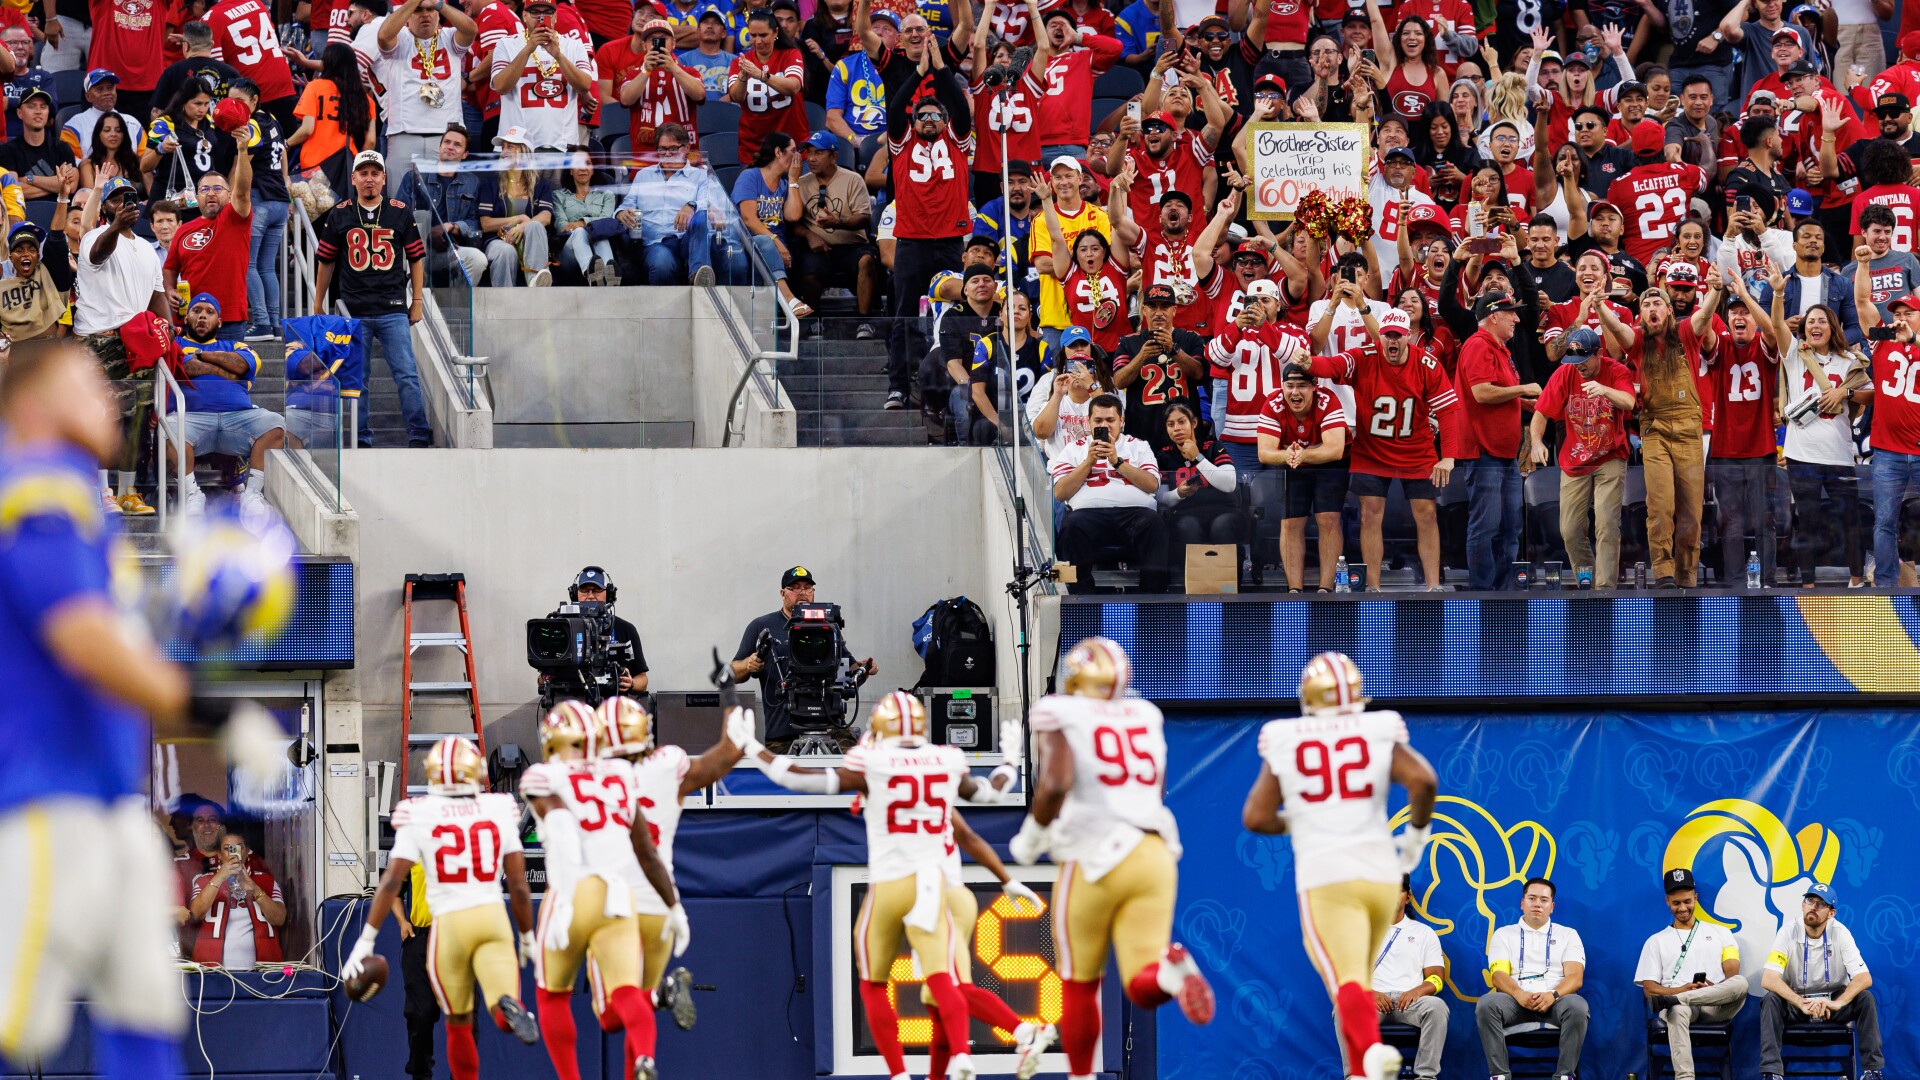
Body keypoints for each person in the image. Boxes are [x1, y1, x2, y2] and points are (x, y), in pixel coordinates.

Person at [0, 339, 205, 1078]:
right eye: (82, 382)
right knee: (17, 1021)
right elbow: (83, 639)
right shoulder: (35, 484)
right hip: (48, 798)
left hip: (107, 798)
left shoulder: (78, 495)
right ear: (30, 406)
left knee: (145, 1004)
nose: (107, 393)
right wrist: (205, 707)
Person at [737, 692, 1013, 1080]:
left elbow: (796, 777)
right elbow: (991, 793)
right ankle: (962, 1055)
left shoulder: (873, 760)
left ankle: (898, 1073)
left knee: (872, 983)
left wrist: (752, 747)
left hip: (890, 883)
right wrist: (1012, 761)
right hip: (935, 882)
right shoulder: (946, 759)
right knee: (942, 979)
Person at [1010, 637, 1215, 1080]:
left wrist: (1030, 839)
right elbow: (1154, 789)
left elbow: (1055, 783)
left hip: (1094, 857)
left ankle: (1081, 1076)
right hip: (1154, 851)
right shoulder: (1146, 715)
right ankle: (1171, 973)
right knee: (1144, 986)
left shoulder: (1060, 711)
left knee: (1079, 983)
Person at [1244, 650, 1438, 1080]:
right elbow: (1423, 780)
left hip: (1327, 875)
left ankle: (1369, 1057)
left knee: (1347, 982)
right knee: (1357, 978)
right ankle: (1363, 1067)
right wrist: (1417, 836)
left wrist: (1303, 818)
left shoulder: (1286, 735)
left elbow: (1255, 816)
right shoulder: (1377, 726)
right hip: (1379, 874)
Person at [344, 737, 540, 1080]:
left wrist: (365, 942)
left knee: (460, 1020)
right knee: (493, 999)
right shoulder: (498, 809)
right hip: (488, 918)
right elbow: (520, 886)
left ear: (433, 775)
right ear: (477, 773)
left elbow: (389, 883)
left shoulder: (420, 815)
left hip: (448, 928)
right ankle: (506, 1007)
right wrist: (527, 936)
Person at [518, 702, 686, 1080]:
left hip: (572, 890)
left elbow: (560, 828)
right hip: (617, 896)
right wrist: (674, 906)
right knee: (626, 992)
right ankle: (644, 1055)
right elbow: (646, 851)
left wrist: (562, 899)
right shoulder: (621, 775)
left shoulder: (545, 775)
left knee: (552, 994)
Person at [595, 698, 736, 1067]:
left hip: (612, 906)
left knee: (611, 1013)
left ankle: (662, 996)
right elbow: (725, 757)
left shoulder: (589, 779)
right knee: (637, 1003)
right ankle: (657, 1010)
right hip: (660, 902)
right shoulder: (666, 765)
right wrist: (732, 699)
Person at [1308, 296, 1468, 591]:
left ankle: (1434, 586)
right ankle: (1373, 586)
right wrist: (1308, 361)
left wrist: (1448, 456)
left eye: (1398, 335)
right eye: (1387, 334)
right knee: (1370, 515)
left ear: (1408, 335)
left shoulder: (1426, 363)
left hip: (1417, 449)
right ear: (1379, 334)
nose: (1392, 340)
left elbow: (1448, 411)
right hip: (1371, 451)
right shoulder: (1364, 356)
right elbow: (1331, 366)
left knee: (1427, 513)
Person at [1595, 282, 1721, 587]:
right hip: (1655, 430)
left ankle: (1687, 576)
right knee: (1660, 505)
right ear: (1641, 314)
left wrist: (1716, 291)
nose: (1652, 309)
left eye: (1657, 304)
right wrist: (1600, 306)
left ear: (1668, 311)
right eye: (1647, 305)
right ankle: (1664, 572)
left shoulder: (1687, 334)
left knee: (1692, 510)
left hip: (1691, 431)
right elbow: (1620, 331)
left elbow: (1703, 317)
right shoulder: (1637, 340)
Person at [313, 149, 433, 447]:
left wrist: (416, 301)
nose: (369, 179)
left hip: (392, 307)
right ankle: (362, 436)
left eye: (375, 173)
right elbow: (326, 260)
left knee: (406, 374)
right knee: (358, 379)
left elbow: (416, 258)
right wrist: (318, 303)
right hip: (353, 310)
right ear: (353, 178)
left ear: (383, 178)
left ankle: (418, 433)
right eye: (363, 174)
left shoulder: (399, 210)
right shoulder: (340, 212)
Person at [75, 176, 171, 514]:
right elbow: (100, 254)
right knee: (104, 419)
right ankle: (102, 491)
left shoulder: (146, 248)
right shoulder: (93, 237)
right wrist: (114, 226)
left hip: (139, 341)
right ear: (105, 207)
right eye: (115, 199)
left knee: (136, 421)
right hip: (99, 341)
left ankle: (128, 491)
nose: (122, 203)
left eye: (128, 197)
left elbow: (158, 296)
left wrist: (169, 336)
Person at [882, 68, 973, 410]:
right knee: (905, 316)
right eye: (922, 116)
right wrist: (917, 73)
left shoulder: (958, 140)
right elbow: (895, 109)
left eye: (936, 115)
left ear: (946, 122)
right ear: (914, 122)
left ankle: (954, 382)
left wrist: (941, 72)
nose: (930, 120)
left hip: (951, 241)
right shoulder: (901, 143)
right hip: (911, 241)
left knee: (956, 313)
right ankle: (898, 387)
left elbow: (961, 109)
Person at [1778, 267, 1867, 587]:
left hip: (1840, 453)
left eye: (1821, 320)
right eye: (1810, 321)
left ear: (1834, 326)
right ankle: (1808, 586)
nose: (1815, 325)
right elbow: (1775, 324)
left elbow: (1872, 394)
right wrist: (1777, 294)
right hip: (1802, 454)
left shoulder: (1849, 360)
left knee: (1851, 521)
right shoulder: (1794, 354)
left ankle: (1857, 580)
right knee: (1808, 521)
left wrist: (1846, 391)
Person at [1528, 328, 1636, 587]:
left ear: (1597, 354)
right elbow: (1541, 413)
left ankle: (1604, 590)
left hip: (1610, 455)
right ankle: (1586, 581)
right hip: (1575, 459)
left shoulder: (1617, 371)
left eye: (1583, 361)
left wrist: (1604, 390)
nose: (1578, 367)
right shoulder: (1565, 373)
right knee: (1570, 530)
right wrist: (1535, 442)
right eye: (1572, 361)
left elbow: (1629, 402)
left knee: (1607, 524)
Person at [729, 566, 878, 750]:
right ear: (783, 593)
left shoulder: (829, 627)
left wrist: (864, 670)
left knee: (851, 771)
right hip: (783, 732)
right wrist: (749, 664)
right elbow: (733, 672)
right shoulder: (762, 626)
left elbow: (848, 675)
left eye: (808, 588)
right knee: (781, 777)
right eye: (795, 588)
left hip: (830, 725)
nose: (803, 592)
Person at [1455, 289, 1540, 589]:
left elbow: (1500, 393)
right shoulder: (1478, 345)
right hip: (1484, 452)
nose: (1517, 318)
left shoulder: (1500, 348)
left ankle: (1504, 590)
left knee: (1510, 527)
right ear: (1493, 316)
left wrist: (1527, 403)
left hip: (1505, 454)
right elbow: (1481, 393)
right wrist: (1523, 390)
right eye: (1511, 312)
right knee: (1487, 525)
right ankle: (1483, 592)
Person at [173, 294, 284, 516]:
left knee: (276, 424)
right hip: (192, 419)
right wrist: (223, 369)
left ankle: (251, 494)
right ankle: (191, 494)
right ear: (186, 318)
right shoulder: (176, 344)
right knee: (168, 429)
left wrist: (200, 355)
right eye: (196, 311)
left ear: (220, 321)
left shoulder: (237, 344)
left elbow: (243, 365)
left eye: (209, 312)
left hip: (238, 419)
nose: (202, 316)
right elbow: (186, 369)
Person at [1758, 883, 1884, 1080]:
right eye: (1809, 901)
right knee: (1771, 1000)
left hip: (1832, 1004)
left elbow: (1863, 978)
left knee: (1865, 998)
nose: (1813, 907)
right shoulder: (1787, 931)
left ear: (1831, 913)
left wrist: (1836, 1003)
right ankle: (1772, 1073)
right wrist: (1800, 1003)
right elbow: (1769, 978)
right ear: (1802, 905)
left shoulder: (1841, 933)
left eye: (1820, 904)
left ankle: (1872, 1071)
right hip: (1797, 1004)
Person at [1050, 392, 1171, 593]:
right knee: (1071, 527)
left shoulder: (1138, 446)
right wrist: (1089, 461)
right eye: (1098, 420)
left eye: (1110, 420)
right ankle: (1083, 600)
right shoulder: (1073, 449)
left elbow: (1152, 485)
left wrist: (1117, 461)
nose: (1104, 426)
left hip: (1135, 516)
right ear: (1088, 422)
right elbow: (1060, 492)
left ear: (1121, 421)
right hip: (1088, 517)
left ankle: (1152, 599)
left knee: (1155, 524)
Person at [1636, 867, 1749, 1080]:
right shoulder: (1655, 941)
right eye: (1676, 903)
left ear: (1695, 898)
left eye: (1687, 901)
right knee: (1678, 1010)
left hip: (1715, 1004)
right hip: (1680, 1008)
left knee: (1741, 983)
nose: (1683, 908)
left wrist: (1706, 990)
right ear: (1667, 901)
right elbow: (1649, 990)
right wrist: (1682, 989)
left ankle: (1676, 999)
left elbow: (1733, 973)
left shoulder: (1722, 933)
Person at [1476, 878, 1589, 1080]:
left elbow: (1575, 977)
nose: (1537, 904)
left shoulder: (1568, 935)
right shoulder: (1503, 934)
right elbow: (1498, 975)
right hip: (1515, 1001)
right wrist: (1519, 994)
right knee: (1486, 1004)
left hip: (1556, 1001)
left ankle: (1564, 1076)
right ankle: (1499, 1075)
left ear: (1552, 906)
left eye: (1544, 900)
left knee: (1578, 1006)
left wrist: (1552, 995)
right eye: (1532, 898)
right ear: (1522, 903)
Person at [1709, 288, 1782, 585]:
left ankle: (1768, 580)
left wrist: (1745, 295)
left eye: (1745, 313)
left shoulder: (1763, 347)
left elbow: (1771, 328)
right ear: (1726, 321)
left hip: (1761, 448)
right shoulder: (1721, 346)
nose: (1740, 317)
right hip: (1725, 449)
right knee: (1730, 522)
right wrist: (1716, 292)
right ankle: (1736, 582)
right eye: (1734, 313)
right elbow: (1702, 331)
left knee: (1765, 520)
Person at [1852, 277, 1920, 587]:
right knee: (1884, 523)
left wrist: (1914, 339)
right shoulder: (1881, 341)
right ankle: (1887, 586)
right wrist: (1863, 263)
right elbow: (1863, 302)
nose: (1901, 319)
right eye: (1897, 314)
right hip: (1888, 449)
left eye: (1909, 313)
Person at [1259, 363, 1350, 593]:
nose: (1295, 392)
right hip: (1294, 462)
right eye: (1289, 386)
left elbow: (1335, 449)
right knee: (1290, 523)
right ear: (1282, 386)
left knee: (1328, 518)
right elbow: (1265, 452)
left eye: (1301, 386)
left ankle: (1326, 589)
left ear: (1314, 386)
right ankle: (1294, 589)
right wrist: (1286, 454)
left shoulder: (1328, 401)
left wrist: (1304, 454)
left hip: (1330, 463)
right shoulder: (1272, 403)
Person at [375, 0, 478, 197]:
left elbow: (471, 29)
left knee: (442, 203)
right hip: (404, 134)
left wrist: (440, 4)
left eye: (430, 10)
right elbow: (383, 35)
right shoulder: (401, 36)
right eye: (418, 11)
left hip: (445, 136)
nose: (425, 15)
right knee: (399, 203)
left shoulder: (449, 36)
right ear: (408, 16)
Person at [614, 122, 732, 286]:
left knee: (701, 215)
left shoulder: (699, 175)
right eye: (662, 149)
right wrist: (620, 213)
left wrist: (691, 205)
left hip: (689, 241)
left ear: (685, 148)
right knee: (662, 262)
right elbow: (625, 206)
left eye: (673, 149)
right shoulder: (643, 176)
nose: (667, 154)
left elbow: (708, 203)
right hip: (656, 243)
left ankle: (699, 276)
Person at [165, 126, 255, 337]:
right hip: (189, 317)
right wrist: (169, 289)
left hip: (228, 319)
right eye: (205, 189)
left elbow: (243, 189)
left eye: (217, 189)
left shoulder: (234, 218)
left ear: (229, 194)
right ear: (197, 196)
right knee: (189, 370)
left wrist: (242, 151)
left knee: (229, 370)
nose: (211, 194)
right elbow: (170, 267)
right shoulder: (184, 229)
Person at [793, 131, 880, 328]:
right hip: (819, 247)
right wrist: (809, 235)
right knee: (808, 269)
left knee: (866, 261)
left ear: (833, 156)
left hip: (852, 245)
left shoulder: (853, 179)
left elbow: (864, 218)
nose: (811, 159)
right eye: (809, 153)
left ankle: (864, 321)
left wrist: (838, 222)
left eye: (818, 153)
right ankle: (814, 321)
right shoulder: (801, 182)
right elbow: (792, 221)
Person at [1370, 876, 1450, 1080]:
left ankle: (1426, 1076)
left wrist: (1417, 991)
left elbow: (1437, 978)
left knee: (1437, 1006)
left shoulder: (1424, 933)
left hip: (1411, 1002)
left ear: (1408, 896)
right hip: (1373, 1002)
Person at [490, 0, 595, 152]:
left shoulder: (573, 45)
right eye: (535, 12)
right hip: (518, 147)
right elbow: (501, 87)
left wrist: (558, 55)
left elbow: (585, 85)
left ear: (556, 17)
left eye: (547, 12)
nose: (541, 17)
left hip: (563, 146)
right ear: (524, 15)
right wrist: (528, 49)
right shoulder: (505, 44)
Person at [599, 12, 705, 162]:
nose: (658, 43)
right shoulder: (633, 75)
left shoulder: (689, 72)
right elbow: (626, 99)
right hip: (645, 161)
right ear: (644, 46)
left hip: (685, 160)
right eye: (652, 40)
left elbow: (699, 95)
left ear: (673, 43)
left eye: (663, 39)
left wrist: (674, 69)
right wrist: (646, 71)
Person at [1608, 119, 1711, 266]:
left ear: (1634, 147)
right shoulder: (1685, 173)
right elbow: (1709, 171)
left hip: (1640, 266)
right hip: (1680, 263)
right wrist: (1704, 142)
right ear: (1662, 144)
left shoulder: (1619, 185)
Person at [402, 124, 490, 286]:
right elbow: (398, 214)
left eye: (457, 145)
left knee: (478, 259)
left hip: (448, 250)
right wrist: (427, 232)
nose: (450, 147)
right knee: (419, 216)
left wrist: (451, 226)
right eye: (447, 142)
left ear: (465, 154)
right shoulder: (415, 175)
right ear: (440, 146)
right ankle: (415, 283)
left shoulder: (472, 182)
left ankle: (459, 305)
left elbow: (474, 224)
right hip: (415, 248)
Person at [733, 132, 811, 315]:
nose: (798, 157)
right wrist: (775, 240)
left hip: (778, 249)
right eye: (793, 151)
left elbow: (793, 216)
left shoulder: (785, 183)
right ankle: (789, 299)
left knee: (769, 247)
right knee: (765, 242)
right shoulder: (750, 177)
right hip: (748, 242)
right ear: (778, 152)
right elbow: (749, 219)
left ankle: (764, 318)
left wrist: (793, 181)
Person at [1154, 401, 1241, 562]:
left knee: (1222, 526)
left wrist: (1198, 458)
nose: (1177, 428)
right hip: (1186, 512)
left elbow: (1229, 484)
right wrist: (1178, 494)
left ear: (1193, 423)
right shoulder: (1164, 456)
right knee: (1187, 527)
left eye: (1182, 422)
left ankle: (1228, 585)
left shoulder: (1212, 447)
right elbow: (1160, 497)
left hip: (1223, 510)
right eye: (1171, 424)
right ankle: (1193, 584)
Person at [185, 832, 288, 965]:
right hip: (213, 971)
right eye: (228, 849)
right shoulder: (203, 881)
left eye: (239, 848)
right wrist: (220, 877)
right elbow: (195, 914)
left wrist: (255, 889)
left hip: (261, 973)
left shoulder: (265, 880)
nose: (233, 853)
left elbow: (279, 919)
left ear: (247, 852)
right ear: (220, 855)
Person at [290, 43, 378, 197]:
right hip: (345, 168)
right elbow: (370, 141)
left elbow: (307, 129)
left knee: (313, 216)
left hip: (313, 165)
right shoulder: (364, 99)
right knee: (342, 215)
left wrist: (286, 143)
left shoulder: (314, 87)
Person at [475, 128, 556, 287]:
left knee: (535, 225)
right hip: (498, 240)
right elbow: (485, 224)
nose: (503, 152)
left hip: (530, 242)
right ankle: (505, 302)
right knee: (506, 252)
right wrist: (518, 219)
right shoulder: (491, 183)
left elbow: (546, 217)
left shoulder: (541, 184)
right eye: (503, 147)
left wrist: (524, 225)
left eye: (510, 147)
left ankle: (536, 281)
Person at [563, 566, 649, 695]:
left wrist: (631, 683)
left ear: (608, 594)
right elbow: (541, 680)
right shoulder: (563, 628)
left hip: (613, 709)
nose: (590, 596)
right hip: (573, 708)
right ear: (575, 594)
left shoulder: (625, 629)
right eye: (585, 591)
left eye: (597, 590)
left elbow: (643, 680)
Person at [4, 88, 80, 209]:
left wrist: (30, 179)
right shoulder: (8, 150)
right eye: (31, 106)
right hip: (25, 215)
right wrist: (58, 186)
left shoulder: (61, 147)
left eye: (43, 107)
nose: (38, 111)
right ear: (19, 113)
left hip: (60, 214)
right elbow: (14, 190)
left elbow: (71, 186)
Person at [553, 155, 619, 285]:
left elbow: (606, 221)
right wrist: (582, 227)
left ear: (593, 169)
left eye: (587, 163)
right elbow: (561, 225)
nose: (583, 168)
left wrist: (583, 223)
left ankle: (609, 278)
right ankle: (592, 274)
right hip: (569, 250)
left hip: (598, 242)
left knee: (600, 235)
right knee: (580, 232)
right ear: (571, 171)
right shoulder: (558, 196)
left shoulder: (607, 195)